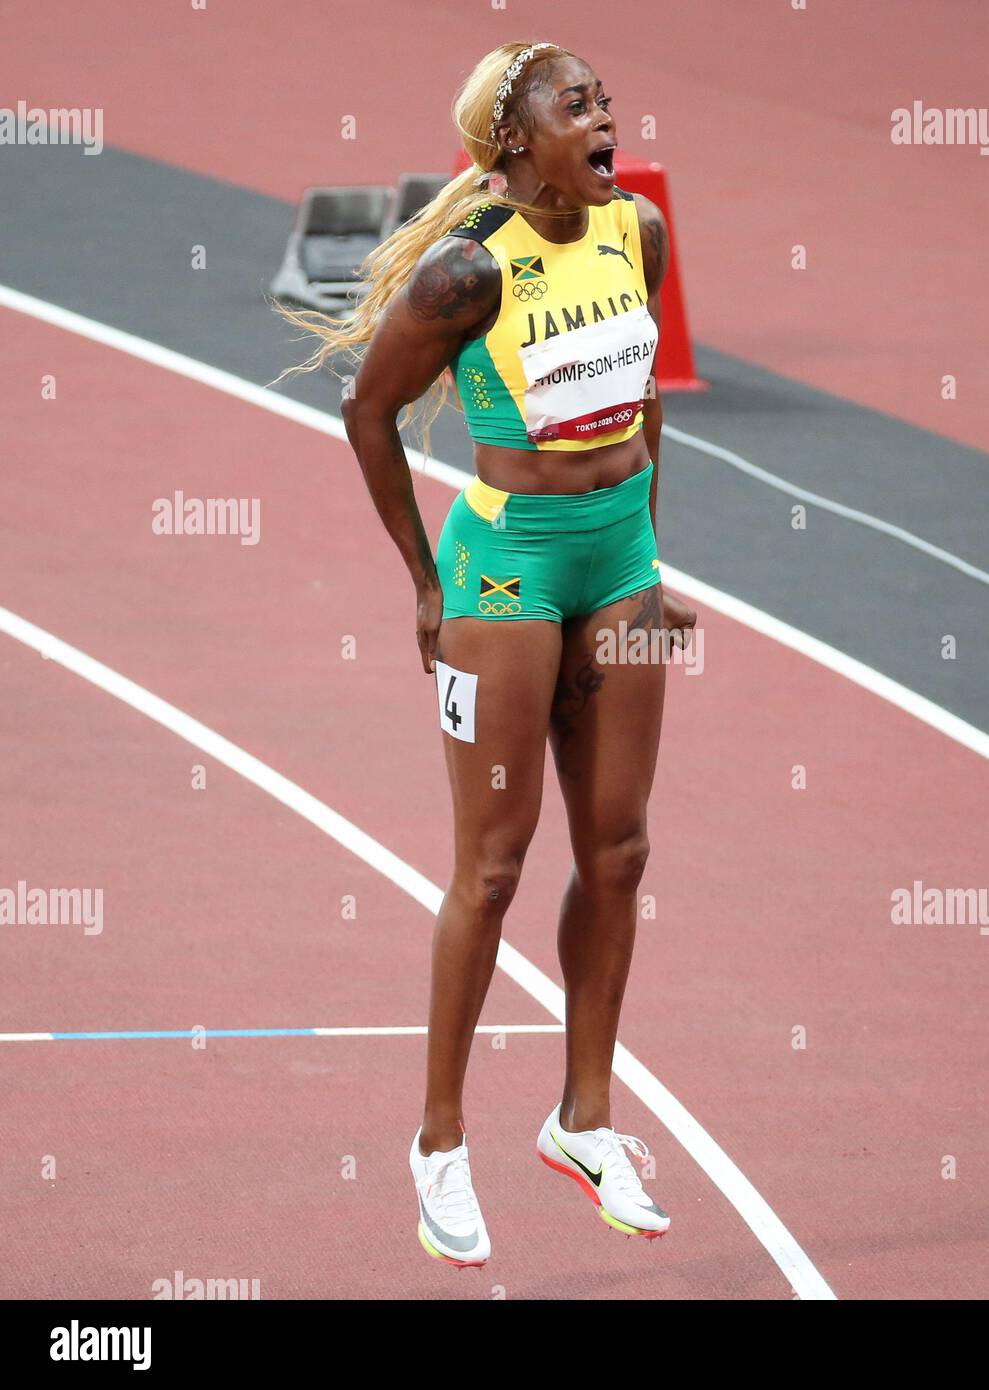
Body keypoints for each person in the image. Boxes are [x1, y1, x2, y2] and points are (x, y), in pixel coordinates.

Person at [275, 40, 696, 1267]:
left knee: (619, 849)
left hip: (618, 563)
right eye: (578, 105)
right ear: (513, 140)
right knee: (494, 865)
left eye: (605, 100)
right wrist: (423, 580)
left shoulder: (635, 232)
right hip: (506, 570)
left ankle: (584, 1122)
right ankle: (440, 1144)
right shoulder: (467, 270)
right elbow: (366, 409)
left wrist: (650, 553)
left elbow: (643, 398)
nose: (605, 118)